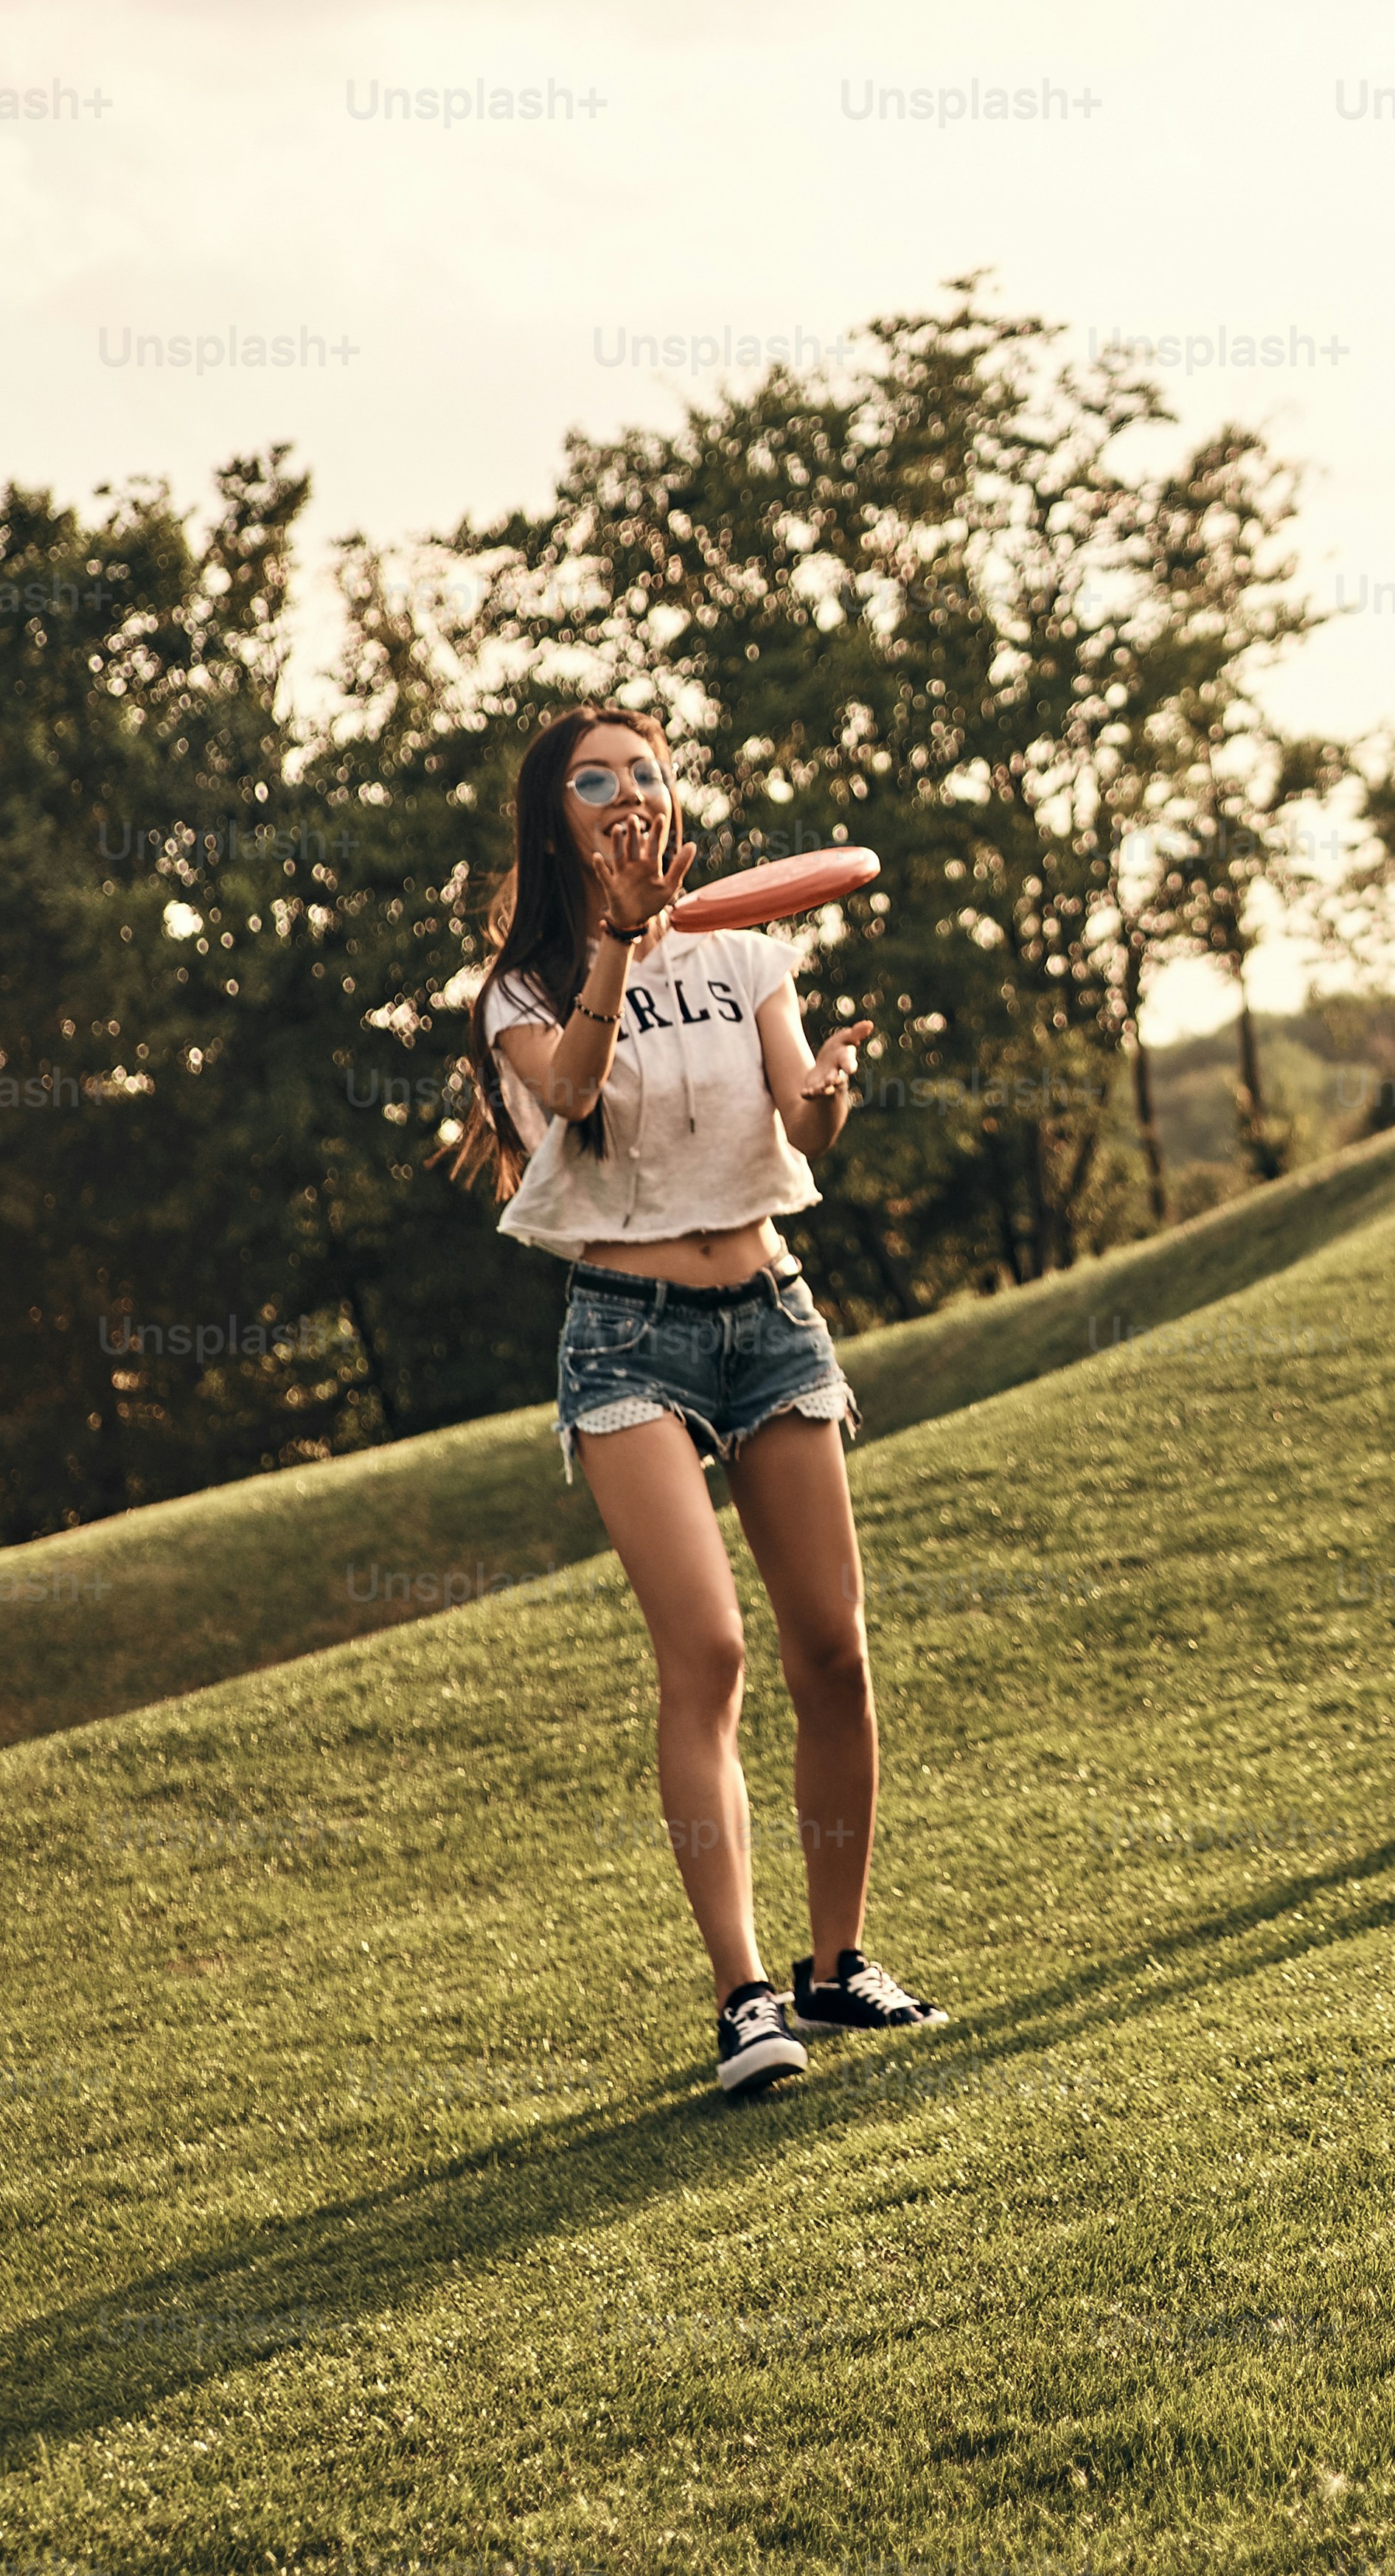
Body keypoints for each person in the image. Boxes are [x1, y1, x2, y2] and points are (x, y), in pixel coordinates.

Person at [445, 704, 950, 2100]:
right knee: (710, 1651)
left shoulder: (745, 954)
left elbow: (802, 1120)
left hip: (769, 1315)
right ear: (554, 819)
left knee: (832, 1652)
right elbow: (575, 1094)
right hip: (627, 1337)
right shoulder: (519, 992)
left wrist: (830, 1091)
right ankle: (743, 1997)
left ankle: (835, 1964)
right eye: (593, 778)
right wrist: (617, 941)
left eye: (647, 771)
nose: (629, 791)